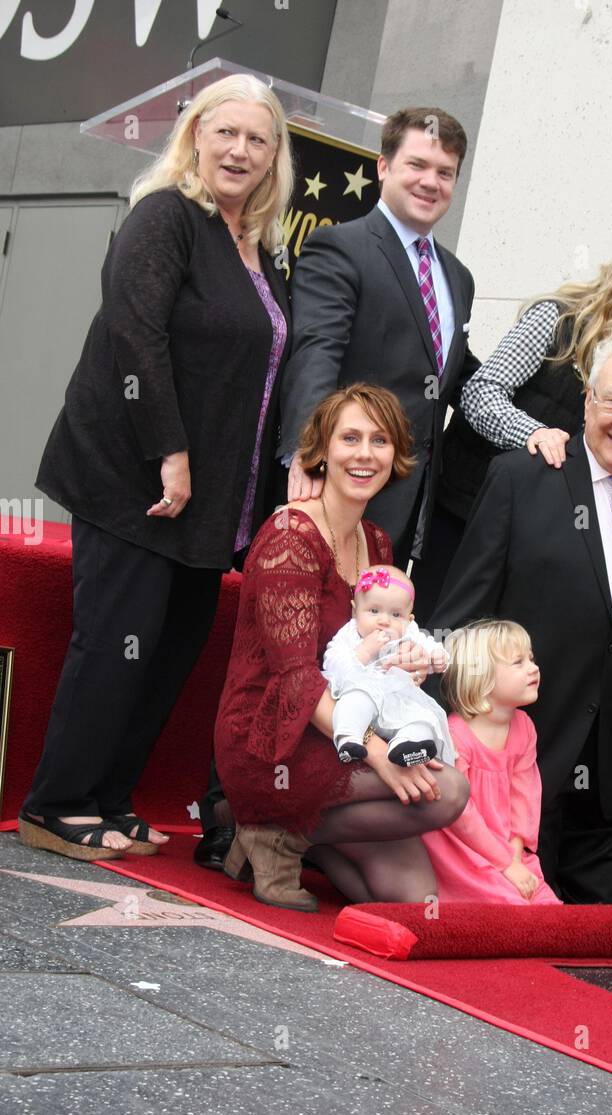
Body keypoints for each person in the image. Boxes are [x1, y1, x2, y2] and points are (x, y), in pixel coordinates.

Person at [19, 74, 293, 862]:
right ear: (195, 137)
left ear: (276, 155)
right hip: (137, 482)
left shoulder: (260, 248)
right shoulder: (164, 215)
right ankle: (58, 802)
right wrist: (168, 453)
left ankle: (109, 796)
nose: (239, 150)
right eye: (226, 133)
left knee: (166, 652)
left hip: (212, 505)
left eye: (257, 138)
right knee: (117, 641)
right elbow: (137, 339)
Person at [430, 336, 612, 905]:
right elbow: (460, 617)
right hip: (509, 780)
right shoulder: (520, 480)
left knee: (606, 952)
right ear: (586, 401)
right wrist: (435, 738)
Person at [215, 385, 468, 911]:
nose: (364, 454)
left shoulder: (376, 543)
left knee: (409, 899)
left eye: (379, 440)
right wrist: (379, 755)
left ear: (395, 453)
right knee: (451, 792)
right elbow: (295, 679)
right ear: (322, 449)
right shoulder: (291, 536)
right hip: (273, 736)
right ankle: (267, 824)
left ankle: (296, 834)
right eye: (349, 438)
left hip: (344, 728)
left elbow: (372, 650)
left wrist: (408, 664)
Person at [277, 106, 479, 615]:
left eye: (445, 172)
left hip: (411, 504)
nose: (430, 182)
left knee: (371, 647)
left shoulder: (458, 277)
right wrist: (311, 453)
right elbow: (316, 351)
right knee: (315, 635)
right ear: (383, 166)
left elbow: (452, 374)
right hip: (339, 488)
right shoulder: (340, 247)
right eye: (417, 165)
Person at [434, 242, 612, 548]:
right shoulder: (557, 319)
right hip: (466, 505)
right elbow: (481, 391)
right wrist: (534, 434)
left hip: (543, 527)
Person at [422, 621, 560, 905]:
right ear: (482, 677)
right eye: (518, 662)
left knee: (548, 905)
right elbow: (462, 815)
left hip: (506, 848)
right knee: (512, 905)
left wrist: (515, 855)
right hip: (463, 849)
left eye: (531, 658)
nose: (533, 667)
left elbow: (525, 798)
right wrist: (504, 863)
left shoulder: (524, 727)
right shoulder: (456, 733)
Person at [323, 563, 453, 767]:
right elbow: (332, 665)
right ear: (355, 612)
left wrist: (437, 657)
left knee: (424, 719)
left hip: (398, 703)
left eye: (395, 615)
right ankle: (348, 739)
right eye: (374, 611)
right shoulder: (350, 634)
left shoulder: (409, 633)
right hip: (365, 694)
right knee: (354, 700)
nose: (384, 620)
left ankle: (405, 746)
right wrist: (364, 651)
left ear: (409, 620)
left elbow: (427, 646)